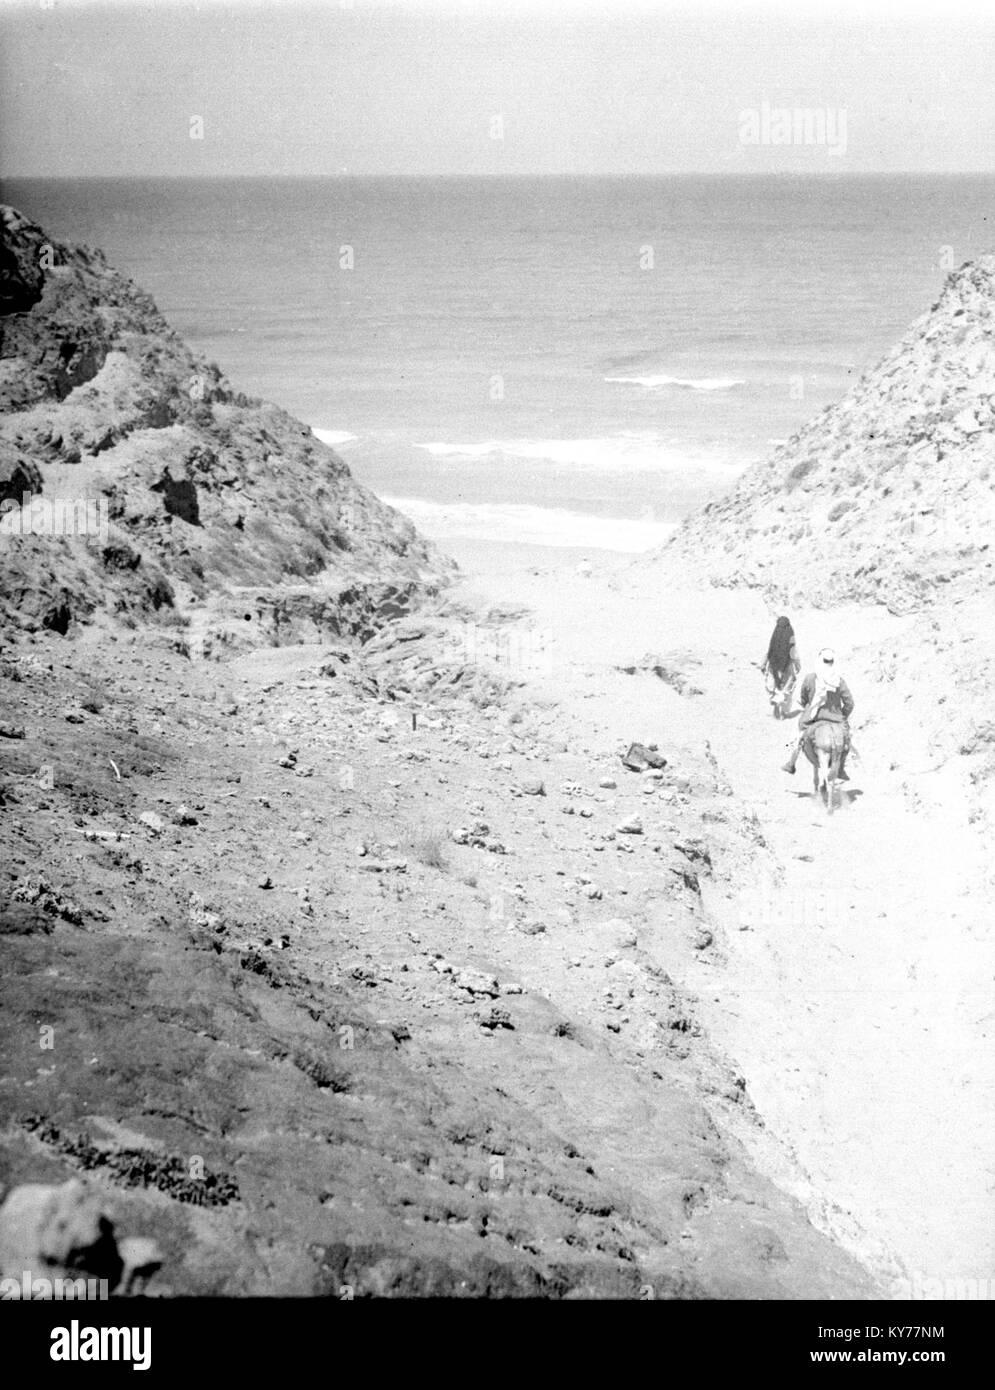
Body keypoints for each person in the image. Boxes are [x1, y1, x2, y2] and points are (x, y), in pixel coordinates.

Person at [781, 647, 854, 779]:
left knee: (796, 736)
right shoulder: (839, 681)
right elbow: (849, 703)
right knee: (848, 740)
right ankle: (842, 768)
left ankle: (791, 763)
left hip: (814, 718)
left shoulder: (810, 679)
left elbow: (803, 700)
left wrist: (809, 707)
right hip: (837, 719)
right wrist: (841, 715)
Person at [762, 616, 801, 694]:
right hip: (787, 661)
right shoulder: (790, 632)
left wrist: (764, 663)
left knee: (773, 678)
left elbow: (770, 649)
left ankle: (773, 691)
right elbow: (793, 649)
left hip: (774, 662)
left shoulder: (776, 632)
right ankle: (783, 692)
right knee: (789, 680)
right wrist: (797, 664)